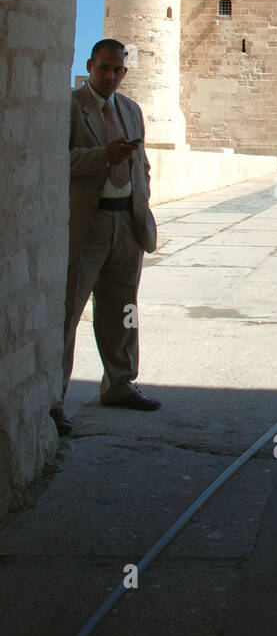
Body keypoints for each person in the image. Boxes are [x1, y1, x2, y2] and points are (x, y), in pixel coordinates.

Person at [52, 39, 159, 436]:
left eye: (117, 70)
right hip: (88, 224)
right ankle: (52, 398)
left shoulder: (131, 109)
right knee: (67, 311)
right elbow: (56, 158)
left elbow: (141, 164)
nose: (110, 76)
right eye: (103, 69)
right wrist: (102, 157)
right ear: (90, 66)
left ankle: (120, 384)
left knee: (122, 310)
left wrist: (141, 204)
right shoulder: (70, 106)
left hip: (126, 225)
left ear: (125, 72)